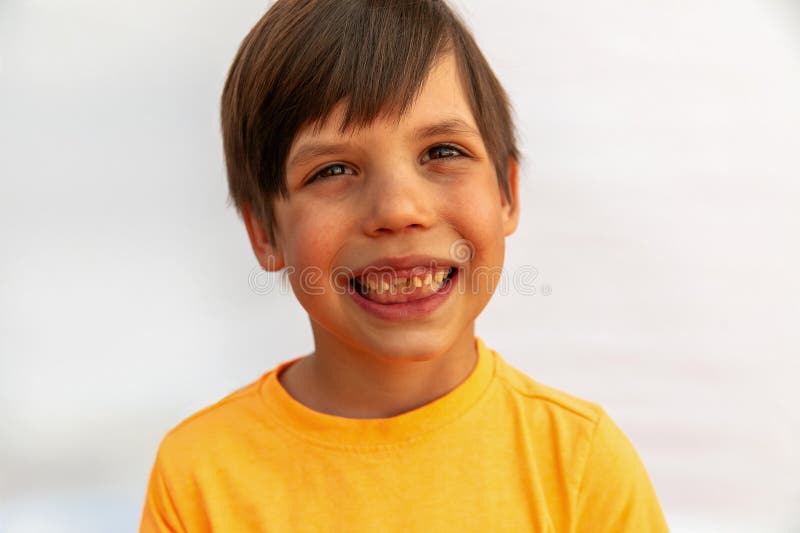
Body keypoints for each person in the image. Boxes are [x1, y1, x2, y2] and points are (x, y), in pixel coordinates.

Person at [140, 0, 669, 531]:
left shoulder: (579, 462)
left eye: (442, 153)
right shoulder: (199, 476)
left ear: (507, 193)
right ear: (264, 232)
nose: (398, 210)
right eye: (333, 169)